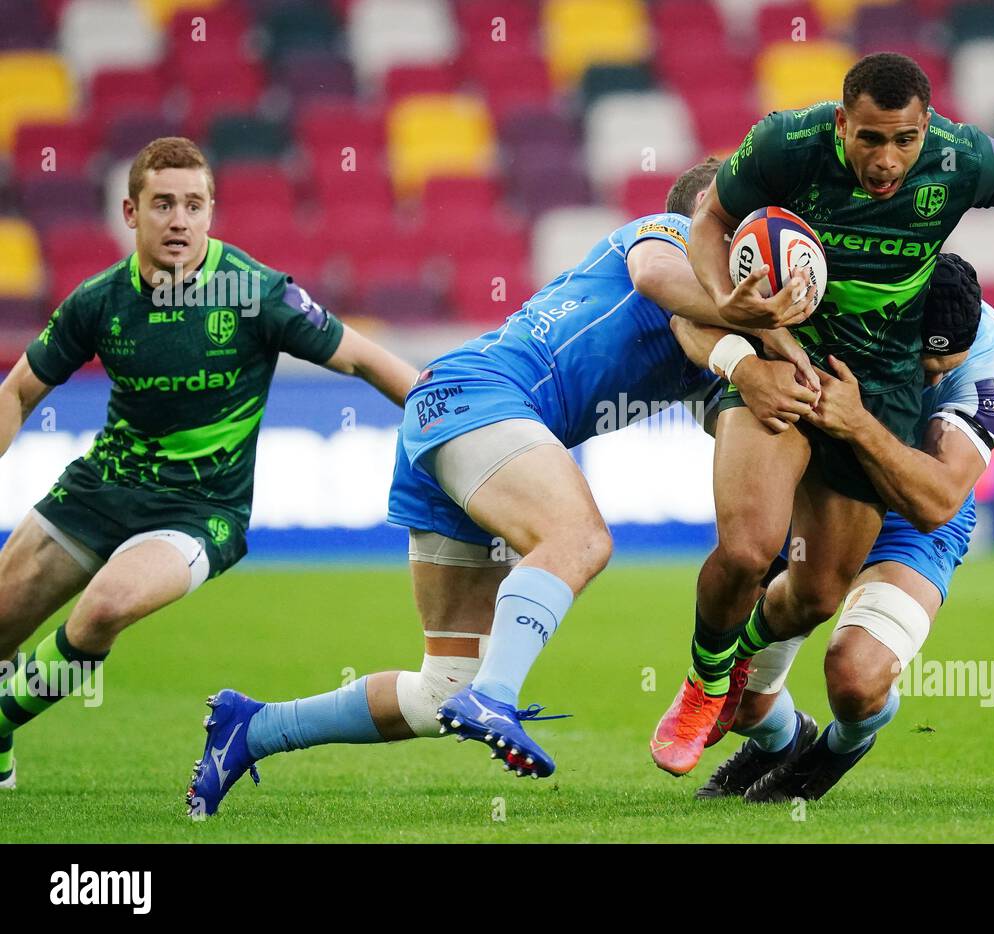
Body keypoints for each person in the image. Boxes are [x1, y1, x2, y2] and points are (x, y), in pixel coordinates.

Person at [186, 158, 818, 816]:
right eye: (734, 228)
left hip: (465, 426)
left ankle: (250, 728)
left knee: (441, 689)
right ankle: (496, 697)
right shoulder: (663, 235)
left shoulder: (713, 342)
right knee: (578, 539)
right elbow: (654, 275)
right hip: (481, 398)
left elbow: (731, 420)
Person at [651, 51, 994, 776]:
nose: (887, 159)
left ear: (925, 126)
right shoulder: (786, 144)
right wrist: (728, 299)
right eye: (870, 138)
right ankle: (704, 685)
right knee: (747, 549)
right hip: (783, 358)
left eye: (903, 139)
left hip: (877, 391)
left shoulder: (959, 161)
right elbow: (711, 217)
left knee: (816, 593)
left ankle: (770, 698)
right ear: (842, 122)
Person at [0, 137, 417, 791]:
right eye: (162, 204)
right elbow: (20, 390)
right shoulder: (99, 301)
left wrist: (446, 417)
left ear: (211, 213)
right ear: (130, 212)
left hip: (202, 511)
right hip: (102, 487)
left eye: (194, 205)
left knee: (105, 607)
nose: (179, 220)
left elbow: (365, 358)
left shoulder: (254, 292)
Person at [698, 254, 994, 802]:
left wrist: (859, 422)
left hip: (908, 510)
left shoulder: (987, 356)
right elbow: (696, 316)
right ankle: (781, 740)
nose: (930, 379)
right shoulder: (835, 305)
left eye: (944, 370)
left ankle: (843, 745)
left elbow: (937, 500)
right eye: (923, 364)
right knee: (744, 704)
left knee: (855, 680)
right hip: (820, 498)